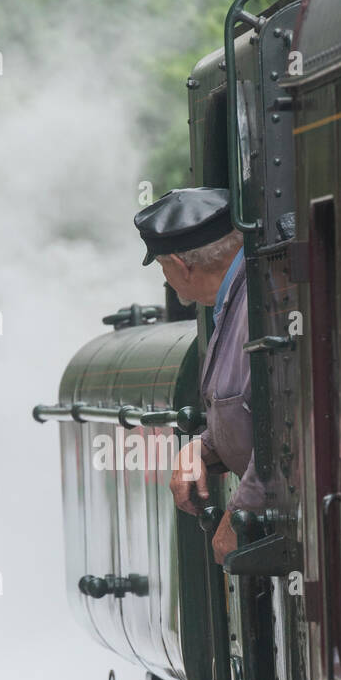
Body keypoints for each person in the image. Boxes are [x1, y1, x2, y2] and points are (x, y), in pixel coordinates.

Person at [134, 187, 264, 564]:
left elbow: (291, 429)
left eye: (162, 267)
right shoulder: (234, 297)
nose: (166, 279)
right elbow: (247, 404)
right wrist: (203, 448)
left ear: (181, 264)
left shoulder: (259, 301)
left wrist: (241, 516)